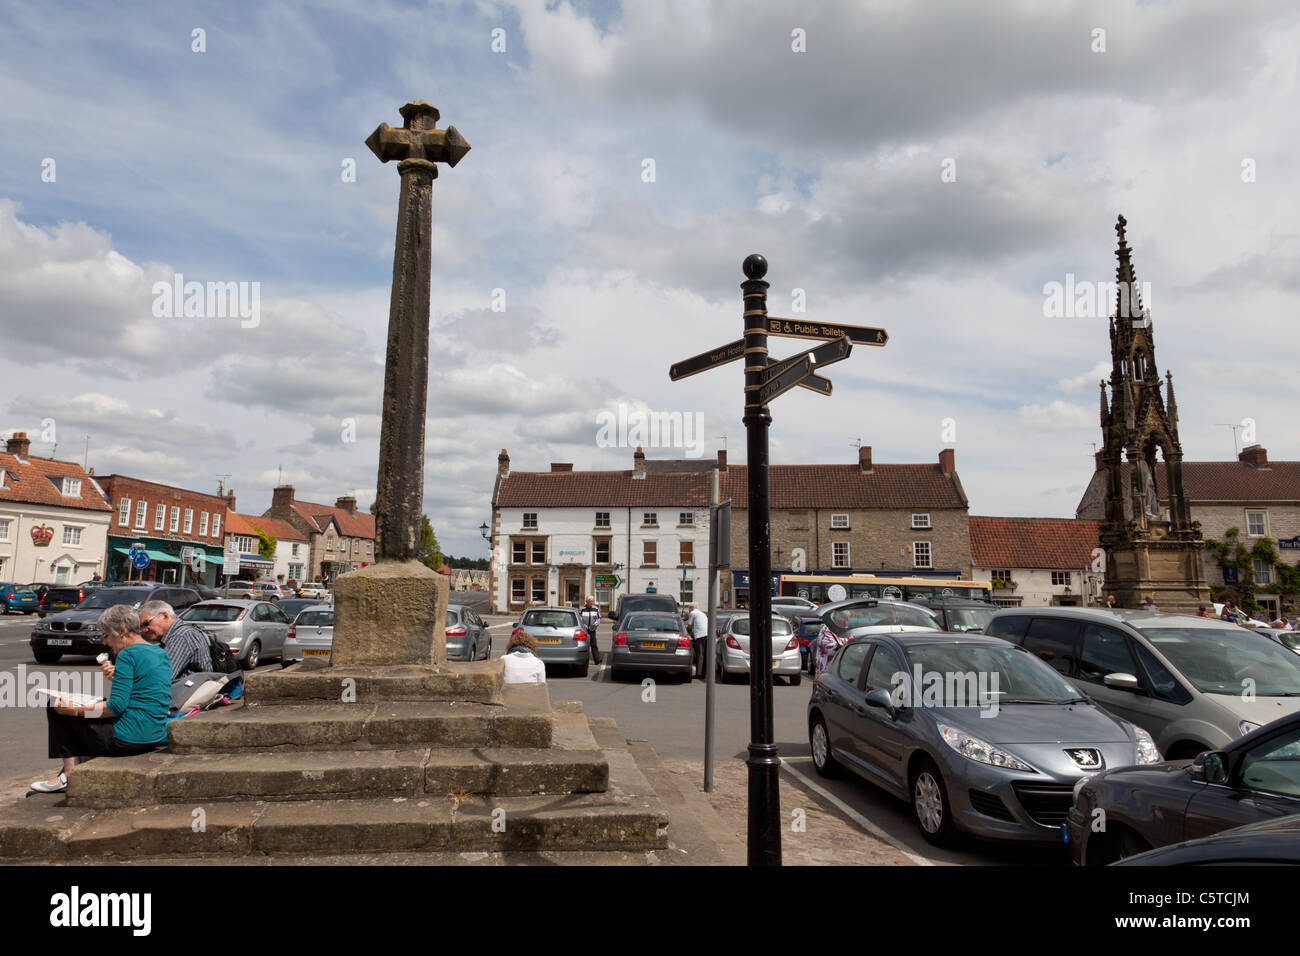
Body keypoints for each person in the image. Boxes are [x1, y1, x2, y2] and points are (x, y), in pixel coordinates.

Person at [30, 604, 171, 793]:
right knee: (91, 706)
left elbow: (116, 707)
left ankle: (68, 775)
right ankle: (77, 764)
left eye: (106, 636)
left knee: (56, 707)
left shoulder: (127, 654)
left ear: (121, 631)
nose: (105, 643)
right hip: (152, 735)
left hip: (128, 739)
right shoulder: (158, 652)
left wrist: (75, 710)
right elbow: (145, 688)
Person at [137, 601, 213, 680]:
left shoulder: (181, 635)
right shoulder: (174, 635)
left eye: (146, 623)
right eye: (141, 627)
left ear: (164, 616)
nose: (144, 630)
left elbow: (161, 678)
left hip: (188, 691)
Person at [814, 610, 852, 680]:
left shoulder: (846, 630)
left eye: (848, 620)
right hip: (826, 676)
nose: (847, 623)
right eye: (845, 620)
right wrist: (850, 648)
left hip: (841, 674)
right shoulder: (827, 630)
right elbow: (830, 650)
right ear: (837, 619)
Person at [686, 602, 709, 680]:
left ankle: (698, 674)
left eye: (689, 608)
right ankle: (704, 674)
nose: (688, 610)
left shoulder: (693, 613)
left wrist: (687, 632)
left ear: (691, 608)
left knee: (700, 654)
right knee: (705, 655)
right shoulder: (702, 613)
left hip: (700, 635)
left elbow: (689, 626)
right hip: (707, 635)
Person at [578, 595, 601, 665]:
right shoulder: (582, 609)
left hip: (592, 630)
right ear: (586, 601)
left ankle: (597, 660)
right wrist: (584, 626)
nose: (591, 603)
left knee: (594, 645)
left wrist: (595, 624)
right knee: (584, 645)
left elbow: (599, 618)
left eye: (592, 601)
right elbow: (580, 619)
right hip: (584, 630)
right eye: (590, 601)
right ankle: (584, 660)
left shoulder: (596, 609)